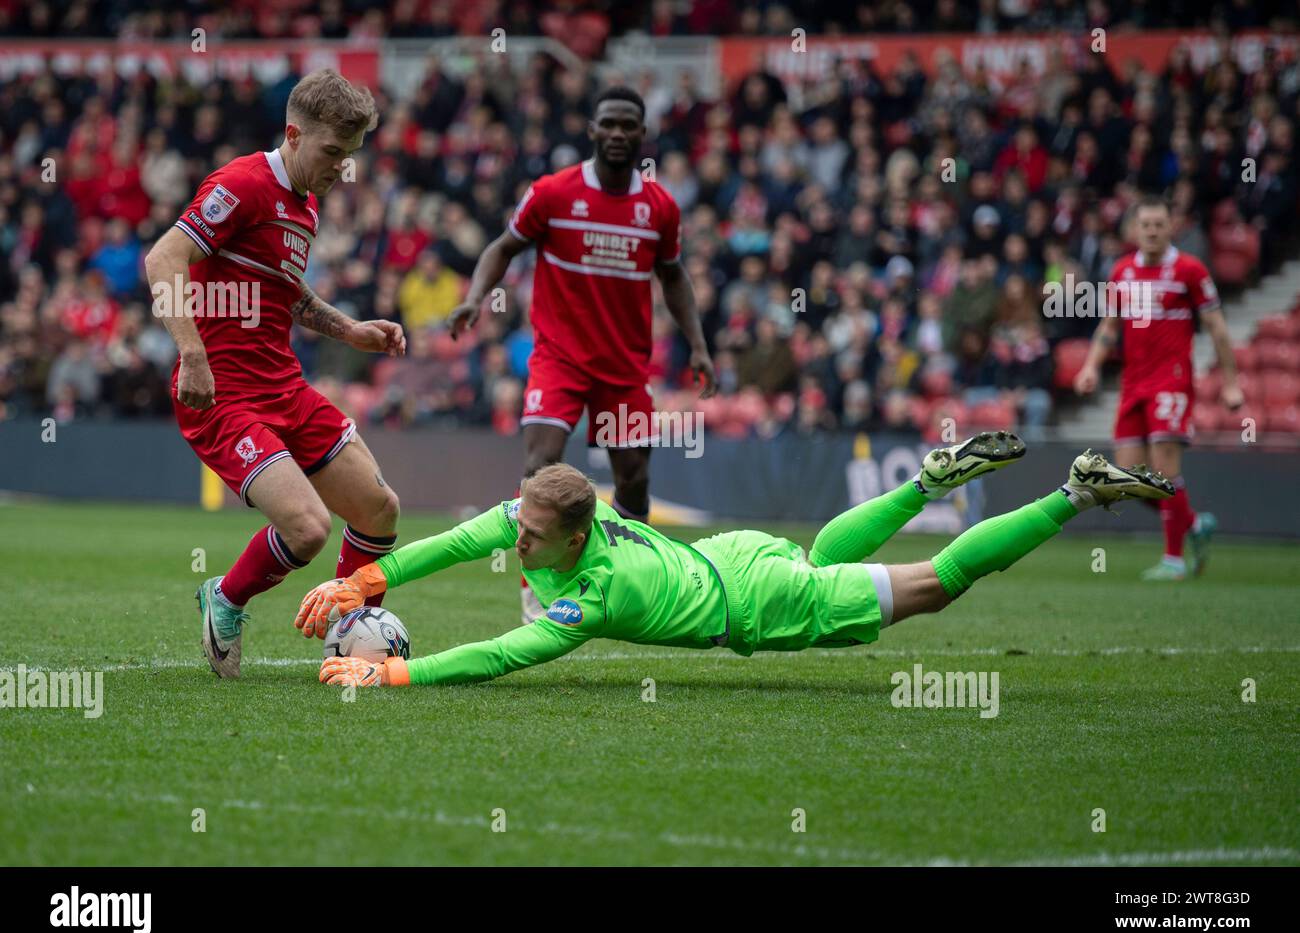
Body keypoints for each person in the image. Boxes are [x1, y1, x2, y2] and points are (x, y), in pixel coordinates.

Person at [295, 432, 1175, 689]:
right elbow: (451, 544)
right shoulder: (542, 516)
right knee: (826, 550)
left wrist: (393, 681)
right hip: (735, 557)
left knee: (937, 587)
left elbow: (503, 654)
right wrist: (361, 578)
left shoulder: (598, 590)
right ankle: (926, 484)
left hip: (754, 607)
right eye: (514, 524)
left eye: (526, 534)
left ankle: (1075, 492)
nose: (511, 541)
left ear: (571, 537)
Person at [144, 69, 405, 678]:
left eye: (351, 155)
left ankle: (347, 631)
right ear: (293, 134)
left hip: (283, 384)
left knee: (379, 510)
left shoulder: (305, 205)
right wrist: (192, 352)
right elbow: (164, 257)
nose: (343, 167)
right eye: (334, 153)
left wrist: (352, 330)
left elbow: (289, 295)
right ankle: (225, 599)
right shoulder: (242, 183)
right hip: (223, 394)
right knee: (310, 529)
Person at [445, 86, 717, 624]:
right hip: (560, 358)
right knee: (539, 463)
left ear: (642, 134)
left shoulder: (658, 207)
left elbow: (673, 275)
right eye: (608, 124)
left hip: (622, 365)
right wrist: (475, 297)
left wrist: (700, 346)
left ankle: (624, 579)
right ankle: (533, 585)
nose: (617, 134)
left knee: (634, 478)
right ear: (592, 130)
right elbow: (503, 246)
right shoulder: (552, 193)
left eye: (628, 125)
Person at [1073, 195, 1243, 580]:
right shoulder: (1121, 271)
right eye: (1145, 225)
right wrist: (1090, 367)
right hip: (1133, 383)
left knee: (1164, 473)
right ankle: (1195, 523)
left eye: (1158, 224)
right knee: (1130, 477)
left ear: (1171, 227)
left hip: (1172, 381)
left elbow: (1216, 327)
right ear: (1134, 229)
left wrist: (1231, 384)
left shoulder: (1189, 270)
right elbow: (1110, 327)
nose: (1151, 231)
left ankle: (1173, 560)